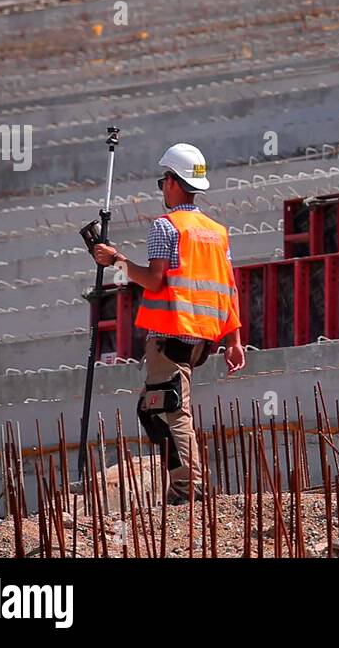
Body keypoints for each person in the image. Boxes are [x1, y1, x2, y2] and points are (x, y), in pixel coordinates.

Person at [92, 143, 245, 502]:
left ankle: (185, 489)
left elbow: (155, 281)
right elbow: (229, 288)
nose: (162, 187)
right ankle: (186, 478)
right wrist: (233, 339)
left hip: (170, 336)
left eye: (164, 180)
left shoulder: (166, 227)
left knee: (171, 411)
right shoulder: (217, 233)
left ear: (174, 182)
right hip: (200, 341)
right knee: (153, 409)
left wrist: (116, 260)